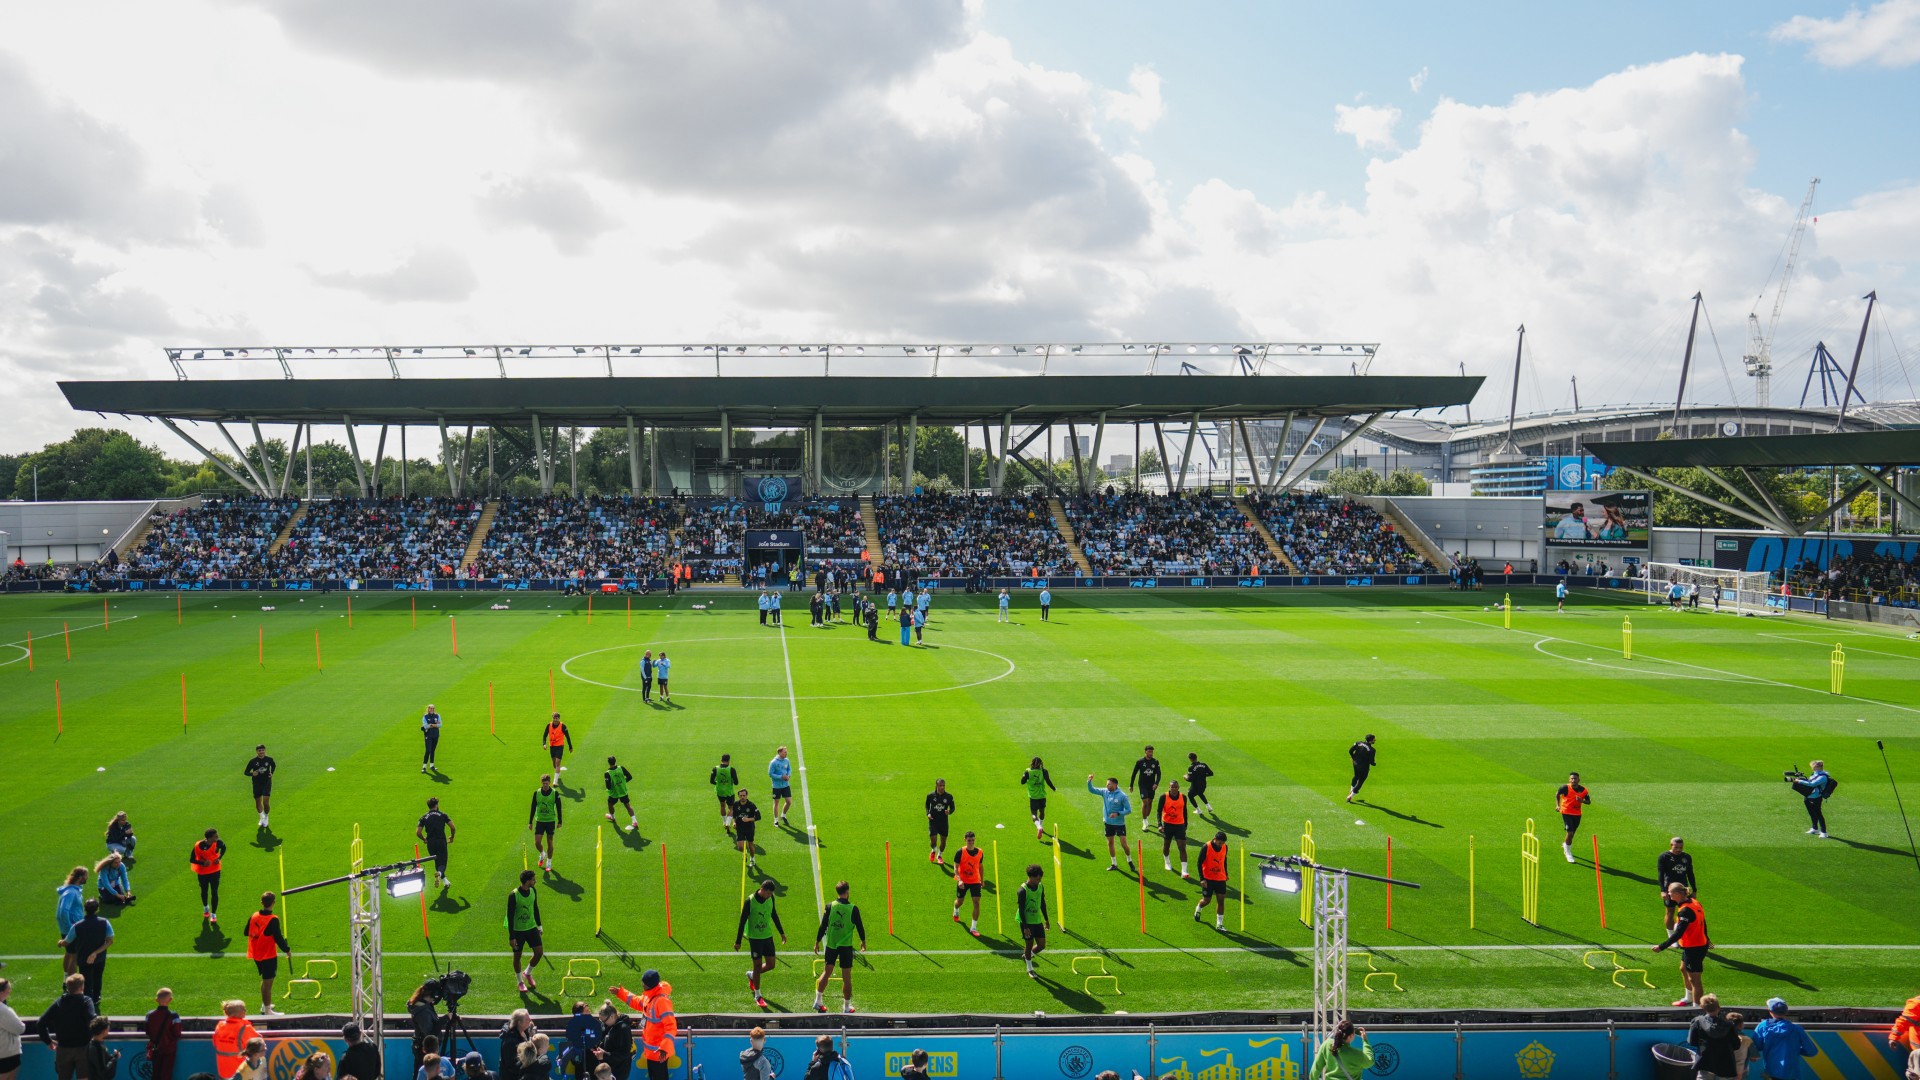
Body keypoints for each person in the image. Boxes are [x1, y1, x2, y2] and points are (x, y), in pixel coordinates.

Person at [812, 879, 867, 1014]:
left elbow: (823, 925)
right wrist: (863, 941)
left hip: (831, 945)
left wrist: (817, 941)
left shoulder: (830, 906)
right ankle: (846, 1007)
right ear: (847, 891)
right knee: (846, 977)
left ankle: (818, 1001)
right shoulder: (853, 908)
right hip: (845, 947)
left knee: (827, 972)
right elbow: (860, 926)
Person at [609, 970, 676, 1080]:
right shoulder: (650, 996)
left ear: (649, 985)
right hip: (653, 1051)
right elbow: (637, 1001)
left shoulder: (661, 1001)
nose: (642, 984)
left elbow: (671, 1026)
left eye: (644, 983)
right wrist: (620, 993)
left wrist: (664, 1047)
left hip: (659, 1052)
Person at [1651, 883, 1709, 1008]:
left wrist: (1661, 947)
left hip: (1694, 947)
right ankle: (1688, 998)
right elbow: (1703, 921)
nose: (1668, 894)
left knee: (1695, 980)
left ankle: (1697, 1008)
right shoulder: (1694, 902)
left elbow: (1678, 934)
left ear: (1677, 894)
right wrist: (1707, 937)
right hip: (1694, 944)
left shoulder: (1685, 911)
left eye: (1670, 892)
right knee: (1683, 968)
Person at [736, 878, 786, 1010]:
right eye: (768, 893)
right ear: (762, 890)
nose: (769, 896)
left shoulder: (771, 898)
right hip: (755, 938)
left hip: (767, 936)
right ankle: (758, 995)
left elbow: (774, 914)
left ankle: (752, 975)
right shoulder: (750, 901)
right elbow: (742, 921)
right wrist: (738, 941)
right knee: (757, 966)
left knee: (771, 964)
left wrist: (781, 932)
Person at [38, 975, 95, 1080]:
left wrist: (48, 1041)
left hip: (63, 1049)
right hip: (83, 1048)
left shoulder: (59, 1002)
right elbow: (93, 1020)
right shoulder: (86, 1001)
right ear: (82, 987)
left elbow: (41, 1023)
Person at [244, 892, 291, 1015]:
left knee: (265, 980)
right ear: (273, 903)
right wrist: (287, 949)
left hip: (256, 954)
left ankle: (265, 1005)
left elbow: (246, 932)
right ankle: (268, 1010)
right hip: (268, 955)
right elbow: (278, 938)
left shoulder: (254, 915)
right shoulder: (273, 919)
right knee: (268, 983)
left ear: (262, 903)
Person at [1750, 999, 1818, 1080]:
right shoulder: (1797, 1029)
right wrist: (1795, 1049)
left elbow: (1756, 1046)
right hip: (1792, 1074)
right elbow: (1812, 1051)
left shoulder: (1762, 1026)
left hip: (1771, 1073)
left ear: (1769, 1011)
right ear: (1786, 1012)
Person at [63, 898, 113, 1006]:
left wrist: (60, 942)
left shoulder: (77, 925)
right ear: (97, 909)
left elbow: (67, 941)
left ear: (84, 909)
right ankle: (96, 998)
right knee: (97, 977)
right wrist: (95, 953)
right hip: (99, 958)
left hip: (83, 958)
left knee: (85, 980)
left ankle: (87, 1000)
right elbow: (109, 941)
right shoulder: (105, 922)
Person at [1087, 775, 1135, 872]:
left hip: (1119, 824)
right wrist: (1089, 781)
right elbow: (1092, 790)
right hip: (1108, 823)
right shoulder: (1105, 792)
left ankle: (1129, 860)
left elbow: (1129, 810)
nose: (1107, 786)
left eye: (1109, 784)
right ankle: (1114, 863)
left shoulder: (1122, 796)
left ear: (1115, 784)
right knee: (1110, 843)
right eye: (1107, 784)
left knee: (1123, 844)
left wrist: (1118, 813)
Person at [507, 870, 545, 993]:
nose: (535, 881)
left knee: (539, 952)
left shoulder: (533, 891)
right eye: (533, 879)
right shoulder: (513, 895)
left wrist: (539, 925)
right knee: (517, 956)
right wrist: (511, 937)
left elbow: (535, 907)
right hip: (518, 931)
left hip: (531, 927)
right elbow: (510, 916)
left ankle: (527, 973)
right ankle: (520, 982)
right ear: (527, 881)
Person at [1688, 995, 1741, 1080]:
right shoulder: (1729, 1026)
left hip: (1704, 1063)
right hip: (1725, 1065)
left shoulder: (1697, 1021)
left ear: (1702, 1007)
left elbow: (1692, 1042)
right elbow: (1736, 1045)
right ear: (1719, 1007)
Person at [209, 1001, 259, 1080]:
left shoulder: (220, 1026)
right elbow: (258, 1043)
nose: (245, 1010)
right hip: (241, 1072)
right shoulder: (245, 1028)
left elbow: (215, 1043)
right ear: (237, 1013)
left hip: (223, 1072)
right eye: (243, 1009)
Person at [1308, 1020, 1372, 1080]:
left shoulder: (1327, 1045)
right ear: (1351, 1036)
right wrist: (1365, 1041)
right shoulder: (1357, 1054)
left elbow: (1315, 1070)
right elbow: (1370, 1061)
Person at [1656, 837, 1697, 932]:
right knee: (1670, 912)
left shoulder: (1686, 857)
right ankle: (1671, 937)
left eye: (1681, 847)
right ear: (1671, 845)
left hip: (1683, 890)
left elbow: (1690, 874)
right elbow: (1660, 875)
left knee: (1685, 911)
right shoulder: (1664, 857)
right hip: (1670, 890)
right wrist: (1663, 890)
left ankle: (1678, 932)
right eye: (1676, 847)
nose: (1679, 849)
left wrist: (1694, 890)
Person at [1787, 760, 1835, 838]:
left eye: (1814, 767)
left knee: (1818, 814)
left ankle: (1824, 832)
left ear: (1819, 767)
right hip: (1808, 795)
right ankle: (1814, 828)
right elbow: (1809, 781)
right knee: (1811, 813)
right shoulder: (1814, 774)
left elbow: (1812, 784)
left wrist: (1799, 781)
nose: (1812, 768)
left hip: (1816, 797)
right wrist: (1801, 778)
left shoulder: (1823, 777)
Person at [1017, 864, 1049, 979]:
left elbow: (1042, 902)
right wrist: (1025, 927)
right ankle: (1030, 969)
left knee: (1041, 945)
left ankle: (1027, 956)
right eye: (1037, 878)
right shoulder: (1022, 891)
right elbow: (1021, 910)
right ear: (1031, 877)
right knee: (1029, 944)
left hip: (1037, 920)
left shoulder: (1040, 886)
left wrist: (1046, 919)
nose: (1039, 880)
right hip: (1027, 922)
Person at [1194, 831, 1231, 930]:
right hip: (1208, 878)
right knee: (1207, 900)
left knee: (1221, 900)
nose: (1221, 845)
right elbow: (1199, 863)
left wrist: (1226, 873)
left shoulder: (1225, 847)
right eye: (1219, 843)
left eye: (1222, 843)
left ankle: (1219, 924)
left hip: (1220, 878)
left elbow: (1224, 860)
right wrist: (1202, 879)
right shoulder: (1206, 847)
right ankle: (1199, 908)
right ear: (1215, 839)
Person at [418, 797, 457, 889]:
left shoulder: (423, 817)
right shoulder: (442, 815)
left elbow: (418, 832)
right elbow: (453, 827)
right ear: (436, 805)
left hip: (430, 843)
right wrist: (452, 836)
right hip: (441, 841)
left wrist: (424, 839)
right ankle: (439, 873)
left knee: (437, 861)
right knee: (442, 863)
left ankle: (445, 881)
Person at [951, 832, 985, 936]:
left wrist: (982, 880)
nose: (971, 842)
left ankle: (973, 927)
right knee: (960, 901)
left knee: (976, 902)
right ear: (965, 839)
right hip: (963, 880)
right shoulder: (960, 852)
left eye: (973, 840)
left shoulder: (980, 852)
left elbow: (980, 866)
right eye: (969, 840)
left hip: (975, 881)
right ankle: (956, 909)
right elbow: (956, 867)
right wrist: (959, 879)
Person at [145, 989, 183, 1080]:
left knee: (155, 1074)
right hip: (169, 1049)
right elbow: (177, 1033)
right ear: (170, 1000)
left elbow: (147, 1032)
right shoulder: (174, 1016)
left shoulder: (149, 1015)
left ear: (156, 1000)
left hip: (155, 1049)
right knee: (166, 1075)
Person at [1156, 781, 1191, 877]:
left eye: (1176, 787)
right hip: (1168, 825)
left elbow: (1184, 811)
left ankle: (1184, 871)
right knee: (1167, 845)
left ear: (1178, 787)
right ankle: (1167, 862)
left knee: (1182, 847)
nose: (1174, 789)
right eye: (1172, 787)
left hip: (1179, 825)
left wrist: (1185, 824)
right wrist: (1159, 824)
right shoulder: (1164, 797)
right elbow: (1159, 811)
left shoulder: (1183, 797)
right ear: (1169, 787)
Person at [55, 868, 87, 974]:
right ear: (79, 877)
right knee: (74, 955)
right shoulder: (71, 892)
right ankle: (72, 984)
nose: (87, 878)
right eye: (86, 875)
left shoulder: (74, 890)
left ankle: (66, 981)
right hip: (72, 928)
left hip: (72, 928)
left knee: (69, 953)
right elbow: (63, 912)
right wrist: (70, 928)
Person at [529, 775, 564, 871]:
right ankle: (542, 854)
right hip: (540, 820)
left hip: (550, 821)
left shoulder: (555, 793)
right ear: (542, 783)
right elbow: (533, 807)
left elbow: (559, 807)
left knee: (550, 842)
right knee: (537, 842)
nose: (545, 785)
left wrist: (560, 821)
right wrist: (530, 822)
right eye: (543, 783)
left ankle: (549, 862)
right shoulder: (537, 793)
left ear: (549, 782)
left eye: (547, 783)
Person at [191, 829, 227, 923]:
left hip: (215, 871)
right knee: (204, 890)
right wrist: (202, 862)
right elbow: (192, 859)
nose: (217, 837)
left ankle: (213, 914)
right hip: (202, 872)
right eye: (215, 836)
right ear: (209, 838)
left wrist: (219, 858)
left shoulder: (218, 842)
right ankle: (206, 907)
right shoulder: (199, 845)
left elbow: (224, 848)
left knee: (214, 891)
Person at [559, 1001, 601, 1080]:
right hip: (580, 1062)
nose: (589, 1013)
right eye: (587, 1011)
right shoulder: (572, 1026)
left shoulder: (594, 1023)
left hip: (593, 1062)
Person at [591, 1001, 632, 1080]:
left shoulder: (623, 1029)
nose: (603, 1024)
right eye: (601, 1021)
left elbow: (625, 1053)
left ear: (612, 1016)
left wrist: (604, 1055)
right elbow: (604, 1039)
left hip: (619, 1070)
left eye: (604, 1021)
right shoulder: (608, 1024)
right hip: (608, 1067)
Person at [1556, 772, 1591, 863]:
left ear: (1578, 780)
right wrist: (1558, 805)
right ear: (1569, 780)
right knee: (1570, 832)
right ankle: (1568, 853)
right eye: (1571, 778)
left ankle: (1565, 844)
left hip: (1577, 814)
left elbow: (1588, 802)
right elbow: (1557, 794)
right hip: (1566, 812)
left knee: (1572, 834)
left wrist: (1581, 800)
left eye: (1575, 778)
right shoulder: (1565, 788)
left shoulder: (1583, 790)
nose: (1573, 780)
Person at [1022, 757, 1056, 841]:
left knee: (1034, 814)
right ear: (1041, 764)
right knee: (1042, 811)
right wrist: (1053, 788)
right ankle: (1041, 826)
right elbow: (1048, 781)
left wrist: (1025, 776)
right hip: (1042, 796)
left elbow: (1022, 782)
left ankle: (1038, 827)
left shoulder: (1028, 772)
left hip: (1033, 796)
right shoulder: (1044, 771)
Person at [244, 744, 277, 829]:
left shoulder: (269, 759)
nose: (261, 752)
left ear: (265, 751)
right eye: (259, 750)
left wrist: (271, 773)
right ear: (257, 752)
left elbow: (274, 765)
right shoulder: (252, 761)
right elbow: (246, 772)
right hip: (257, 783)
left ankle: (266, 817)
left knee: (266, 802)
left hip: (267, 783)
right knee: (258, 802)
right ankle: (261, 817)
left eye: (263, 750)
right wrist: (252, 773)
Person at [1130, 746, 1162, 830]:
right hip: (1142, 785)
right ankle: (1144, 822)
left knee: (1150, 802)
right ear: (1145, 752)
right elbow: (1134, 773)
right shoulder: (1140, 762)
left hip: (1151, 785)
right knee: (1145, 802)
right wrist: (1131, 785)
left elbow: (1159, 774)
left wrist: (1156, 783)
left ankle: (1146, 818)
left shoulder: (1155, 762)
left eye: (1151, 752)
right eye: (1149, 752)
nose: (1150, 753)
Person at [498, 1010, 536, 1080]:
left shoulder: (523, 1031)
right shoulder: (510, 1041)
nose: (530, 1020)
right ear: (519, 1023)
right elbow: (512, 1066)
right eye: (527, 1019)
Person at [604, 757, 638, 833]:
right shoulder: (621, 768)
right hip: (623, 791)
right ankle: (634, 821)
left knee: (610, 804)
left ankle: (612, 817)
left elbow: (608, 787)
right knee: (627, 806)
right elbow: (630, 777)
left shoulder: (607, 773)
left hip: (614, 793)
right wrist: (623, 783)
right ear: (615, 761)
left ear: (608, 762)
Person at [925, 779, 955, 864]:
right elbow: (927, 805)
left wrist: (949, 811)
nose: (942, 787)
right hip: (933, 821)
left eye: (943, 786)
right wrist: (928, 814)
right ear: (936, 786)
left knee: (943, 841)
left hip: (943, 822)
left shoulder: (949, 796)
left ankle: (939, 855)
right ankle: (933, 850)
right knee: (933, 840)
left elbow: (953, 808)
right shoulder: (930, 795)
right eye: (940, 786)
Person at [733, 790, 762, 874]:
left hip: (749, 828)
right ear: (738, 796)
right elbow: (734, 815)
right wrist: (734, 822)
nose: (742, 797)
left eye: (744, 795)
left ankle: (752, 858)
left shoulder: (751, 805)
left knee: (750, 845)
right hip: (739, 828)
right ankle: (744, 853)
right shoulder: (736, 804)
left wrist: (748, 819)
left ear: (747, 795)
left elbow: (759, 817)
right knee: (740, 847)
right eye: (741, 795)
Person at [711, 754, 741, 833]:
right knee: (731, 808)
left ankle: (724, 822)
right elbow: (736, 782)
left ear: (721, 760)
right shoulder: (731, 769)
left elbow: (711, 781)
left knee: (722, 805)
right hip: (729, 792)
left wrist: (718, 784)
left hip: (720, 791)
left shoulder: (715, 769)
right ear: (729, 761)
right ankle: (728, 822)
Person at [542, 715, 573, 782]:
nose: (555, 720)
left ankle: (555, 781)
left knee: (557, 762)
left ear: (559, 718)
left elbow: (568, 737)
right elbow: (544, 735)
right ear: (552, 718)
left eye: (557, 718)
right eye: (554, 718)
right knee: (554, 764)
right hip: (552, 746)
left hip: (560, 746)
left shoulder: (563, 726)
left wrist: (570, 746)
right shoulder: (549, 725)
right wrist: (544, 744)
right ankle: (558, 772)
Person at [1347, 735, 1377, 803]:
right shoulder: (1372, 750)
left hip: (1355, 764)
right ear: (1370, 740)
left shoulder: (1358, 743)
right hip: (1364, 767)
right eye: (1374, 739)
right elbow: (1371, 762)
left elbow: (1350, 750)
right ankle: (1350, 796)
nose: (1375, 740)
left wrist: (1353, 757)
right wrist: (1374, 764)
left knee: (1356, 776)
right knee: (1361, 781)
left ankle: (1351, 789)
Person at [769, 747, 793, 828]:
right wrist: (781, 777)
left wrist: (788, 775)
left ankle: (783, 814)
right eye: (784, 752)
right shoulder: (773, 762)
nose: (786, 753)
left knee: (789, 802)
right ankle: (775, 820)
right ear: (779, 752)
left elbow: (789, 769)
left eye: (786, 752)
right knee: (776, 803)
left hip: (786, 785)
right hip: (776, 786)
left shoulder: (787, 760)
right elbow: (770, 774)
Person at [421, 704, 443, 773]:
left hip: (436, 735)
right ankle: (424, 767)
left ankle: (432, 765)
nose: (432, 709)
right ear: (428, 709)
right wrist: (434, 725)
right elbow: (425, 726)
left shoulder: (437, 716)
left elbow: (440, 725)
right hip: (428, 736)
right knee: (428, 750)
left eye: (433, 708)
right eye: (430, 708)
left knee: (433, 750)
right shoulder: (425, 717)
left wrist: (431, 724)